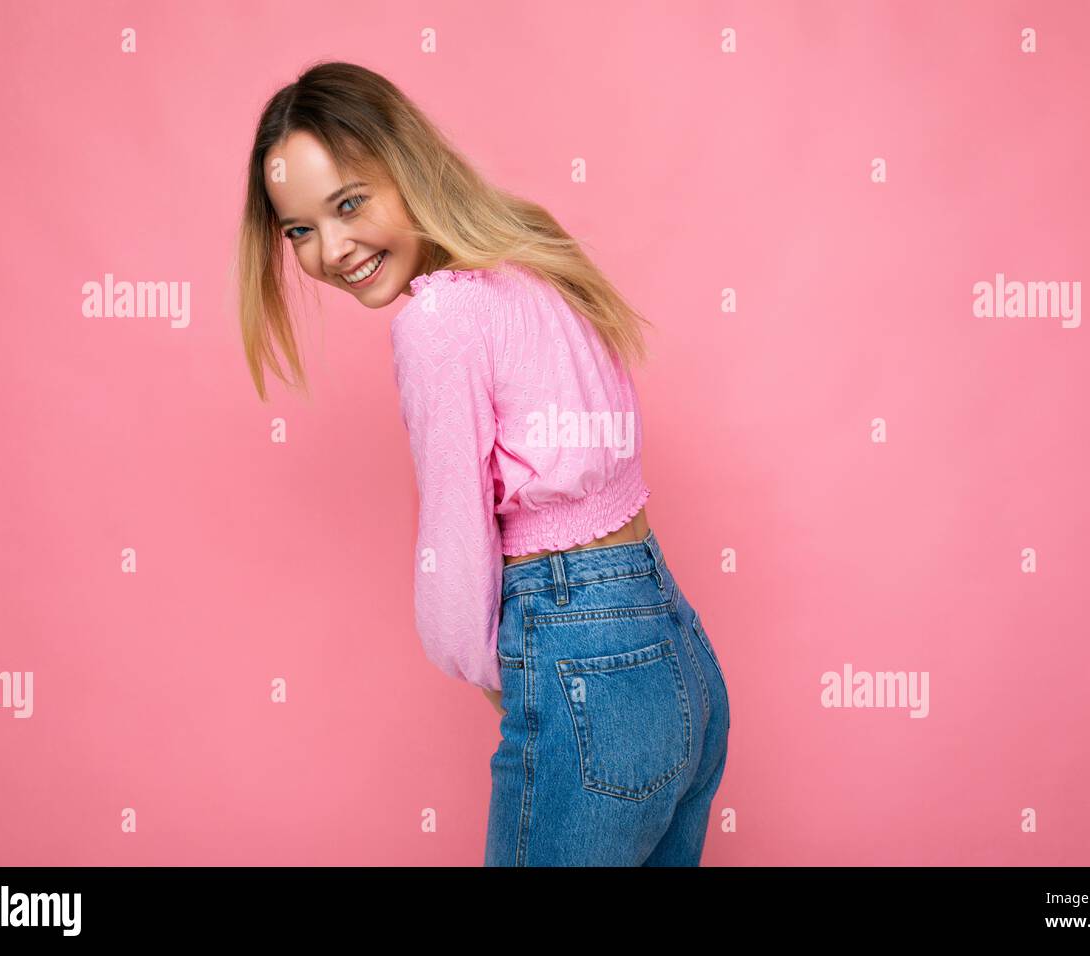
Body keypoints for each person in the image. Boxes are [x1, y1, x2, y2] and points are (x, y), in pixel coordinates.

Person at [236, 60, 730, 866]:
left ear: (407, 166)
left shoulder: (440, 319)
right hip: (677, 650)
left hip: (585, 663)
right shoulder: (532, 253)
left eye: (350, 204)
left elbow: (456, 535)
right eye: (300, 230)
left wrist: (501, 676)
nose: (332, 248)